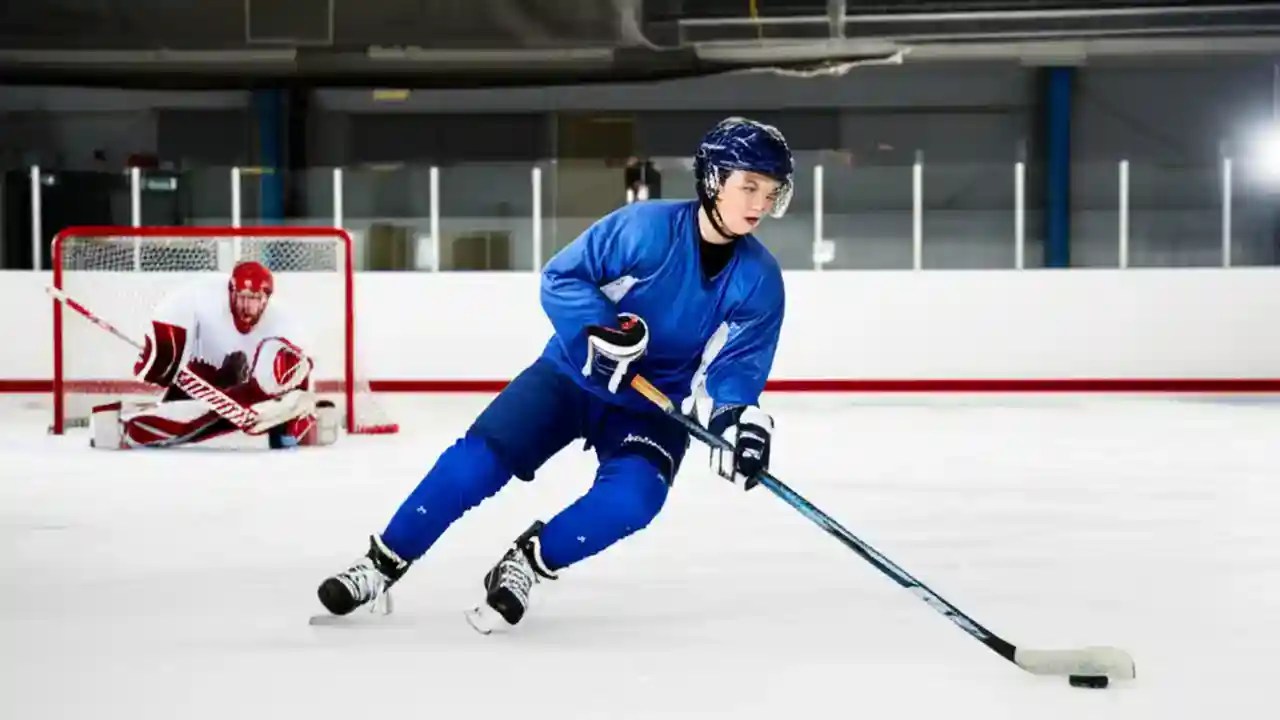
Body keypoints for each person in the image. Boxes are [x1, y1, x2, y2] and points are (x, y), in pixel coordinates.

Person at [316, 116, 793, 631]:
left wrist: (736, 420)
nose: (759, 205)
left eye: (770, 193)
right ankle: (382, 563)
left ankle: (528, 561)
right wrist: (599, 334)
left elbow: (738, 364)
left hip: (652, 405)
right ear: (713, 180)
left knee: (635, 499)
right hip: (569, 375)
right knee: (474, 464)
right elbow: (562, 277)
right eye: (749, 187)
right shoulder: (644, 229)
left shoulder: (760, 280)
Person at [89, 260, 337, 450]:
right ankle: (123, 426)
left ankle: (128, 427)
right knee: (191, 404)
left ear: (266, 299)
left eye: (255, 299)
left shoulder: (285, 323)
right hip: (205, 380)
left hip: (251, 392)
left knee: (283, 386)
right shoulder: (202, 297)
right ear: (231, 291)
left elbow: (302, 375)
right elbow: (169, 332)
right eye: (242, 297)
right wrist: (160, 354)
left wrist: (296, 411)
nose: (247, 306)